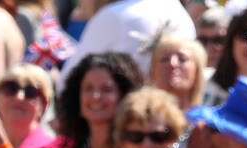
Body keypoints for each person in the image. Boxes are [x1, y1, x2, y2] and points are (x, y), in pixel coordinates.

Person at [57, 0, 195, 92]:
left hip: (128, 127)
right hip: (174, 123)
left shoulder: (115, 15)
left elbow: (65, 86)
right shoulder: (182, 15)